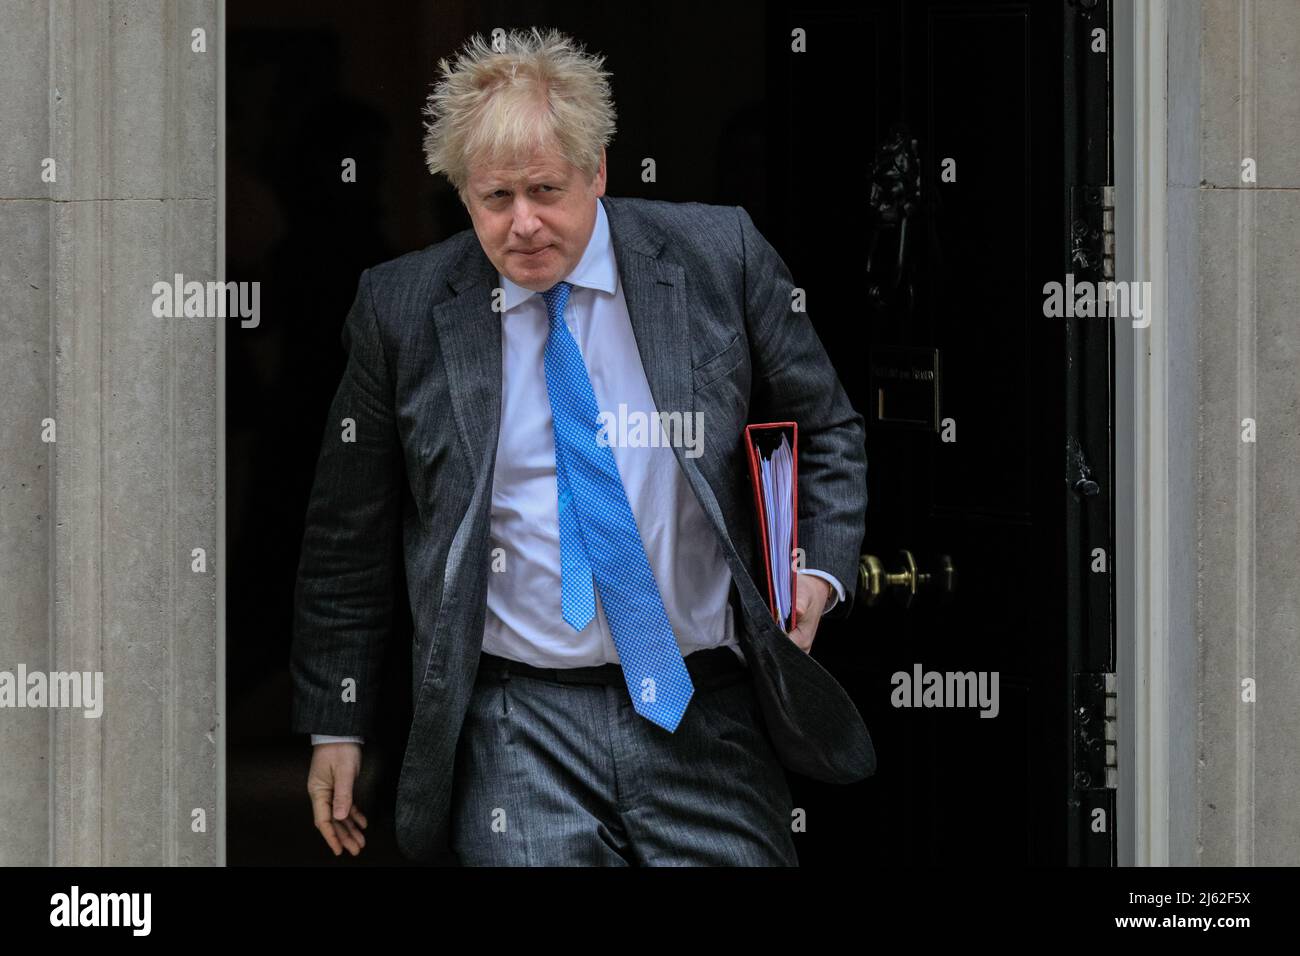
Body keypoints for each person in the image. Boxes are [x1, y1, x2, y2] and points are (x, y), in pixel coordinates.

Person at [291, 26, 874, 866]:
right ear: (462, 194)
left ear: (597, 169)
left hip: (704, 703)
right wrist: (336, 720)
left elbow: (826, 428)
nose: (523, 223)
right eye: (496, 197)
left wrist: (818, 569)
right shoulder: (402, 309)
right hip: (516, 724)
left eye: (545, 190)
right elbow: (348, 532)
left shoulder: (719, 258)